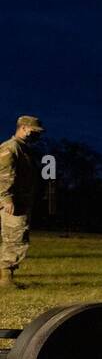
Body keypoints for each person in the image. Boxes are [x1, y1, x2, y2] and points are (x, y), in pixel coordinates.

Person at [0, 115, 45, 288]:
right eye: (35, 131)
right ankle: (5, 279)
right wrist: (6, 198)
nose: (38, 135)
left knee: (13, 236)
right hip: (12, 202)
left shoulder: (24, 149)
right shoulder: (11, 148)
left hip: (20, 200)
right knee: (15, 237)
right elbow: (4, 175)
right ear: (24, 128)